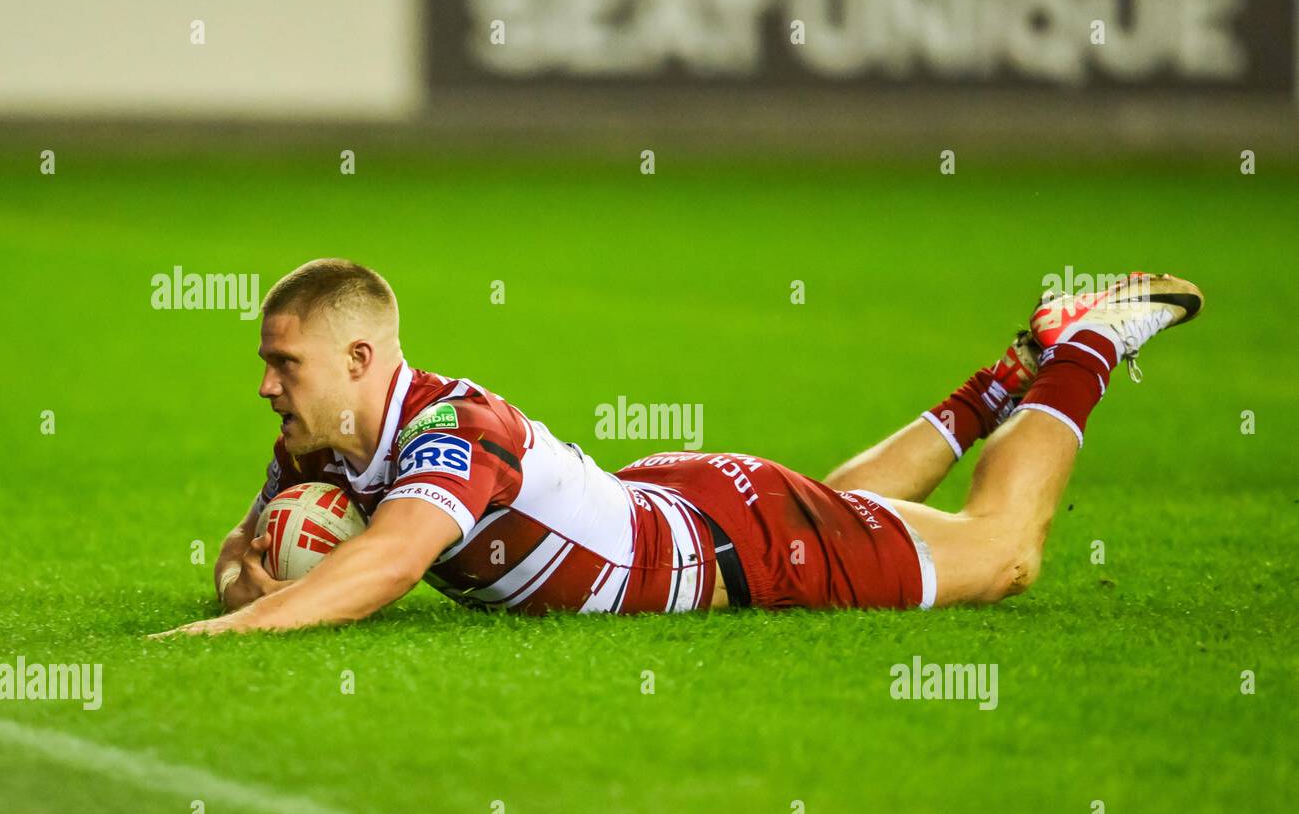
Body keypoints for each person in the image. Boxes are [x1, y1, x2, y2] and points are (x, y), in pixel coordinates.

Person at [155, 260, 1202, 636]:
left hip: (741, 540)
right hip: (690, 506)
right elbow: (243, 544)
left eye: (281, 364)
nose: (264, 385)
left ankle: (1088, 342)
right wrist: (242, 579)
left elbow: (385, 561)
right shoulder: (321, 441)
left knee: (1003, 547)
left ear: (357, 355)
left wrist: (229, 635)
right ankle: (1008, 369)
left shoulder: (453, 428)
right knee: (844, 510)